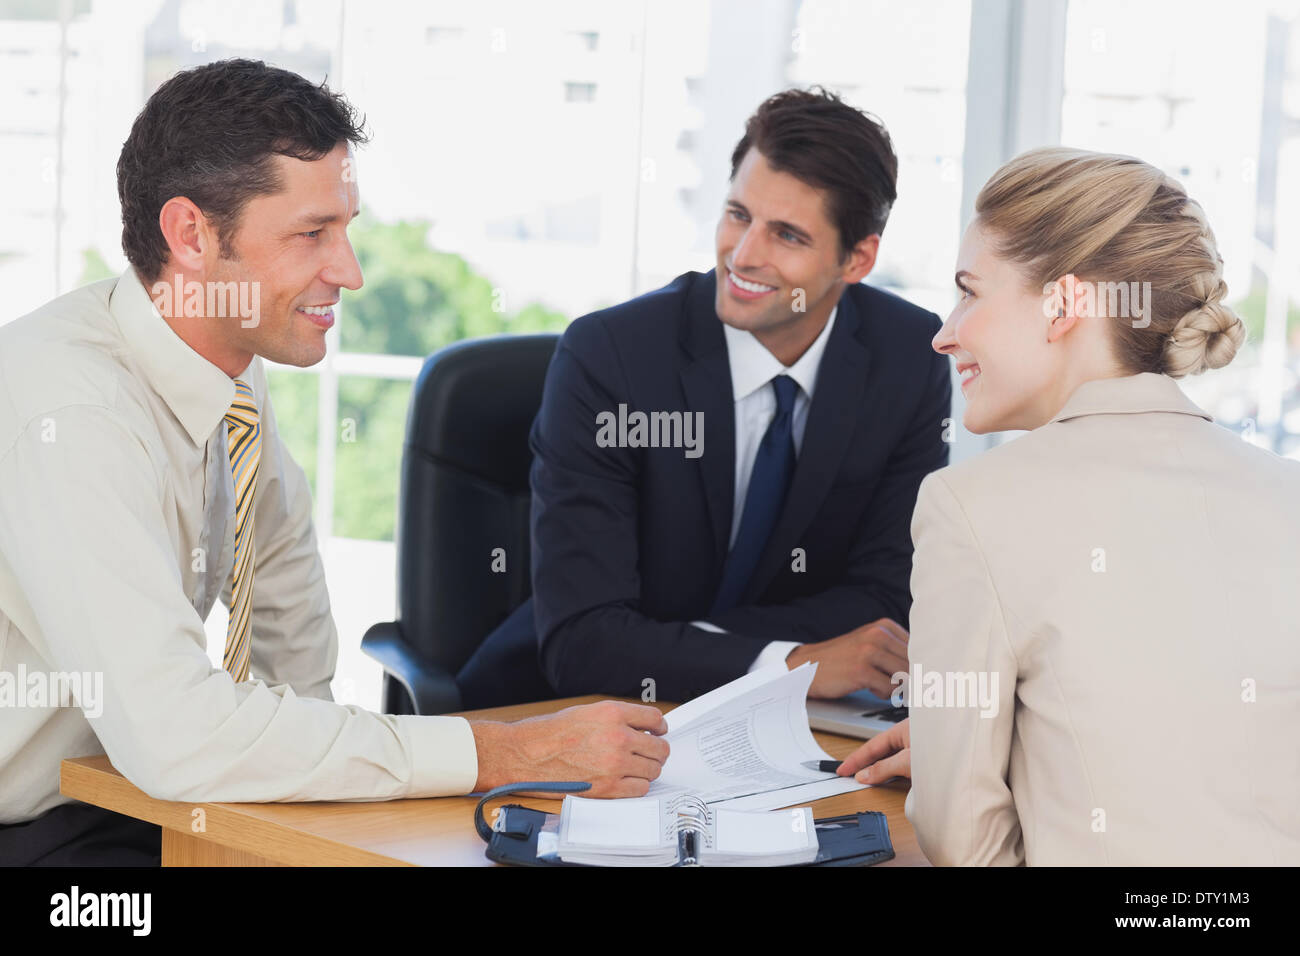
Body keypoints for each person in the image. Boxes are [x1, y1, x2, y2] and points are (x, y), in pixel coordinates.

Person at [0, 59, 668, 867]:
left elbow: (285, 603)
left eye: (345, 229)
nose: (348, 271)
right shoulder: (74, 415)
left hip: (129, 796)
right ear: (190, 235)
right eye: (312, 234)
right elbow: (177, 736)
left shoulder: (224, 357)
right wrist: (505, 753)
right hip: (43, 827)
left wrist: (320, 795)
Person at [841, 146, 1299, 865]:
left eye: (970, 291)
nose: (944, 331)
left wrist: (957, 761)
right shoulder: (1288, 495)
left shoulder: (971, 506)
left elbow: (963, 844)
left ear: (1063, 305)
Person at [457, 88, 950, 708]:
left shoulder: (906, 358)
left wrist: (680, 648)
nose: (744, 256)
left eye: (788, 236)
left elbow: (882, 604)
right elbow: (586, 641)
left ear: (857, 259)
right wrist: (790, 664)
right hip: (565, 714)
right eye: (739, 214)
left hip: (796, 728)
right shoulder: (612, 358)